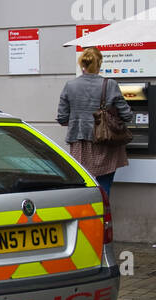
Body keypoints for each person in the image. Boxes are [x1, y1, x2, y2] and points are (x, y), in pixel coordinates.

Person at [56, 47, 133, 198]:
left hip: (80, 144)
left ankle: (86, 217)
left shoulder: (70, 85)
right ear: (99, 64)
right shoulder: (110, 84)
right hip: (105, 142)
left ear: (82, 65)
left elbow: (62, 118)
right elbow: (127, 115)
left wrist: (79, 119)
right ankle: (102, 218)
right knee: (104, 186)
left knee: (83, 185)